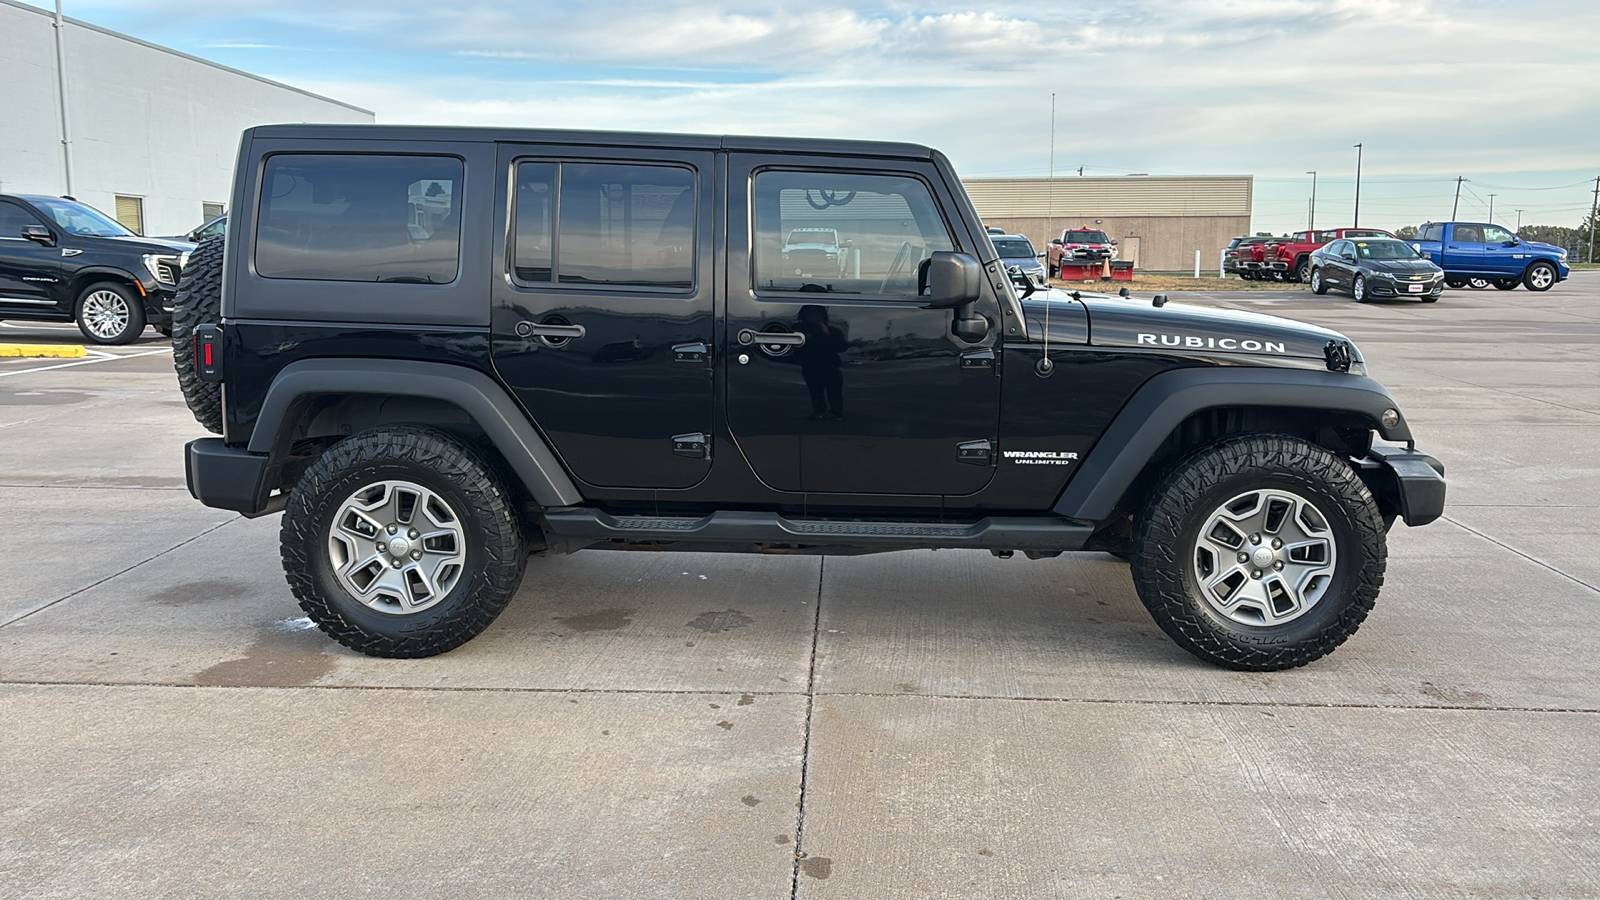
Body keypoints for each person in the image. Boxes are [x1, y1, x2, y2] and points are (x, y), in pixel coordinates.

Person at [794, 305, 846, 420]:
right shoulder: (799, 331)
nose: (814, 318)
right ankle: (820, 411)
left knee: (834, 392)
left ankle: (836, 412)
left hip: (831, 367)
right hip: (810, 367)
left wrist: (826, 332)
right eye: (810, 315)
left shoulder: (833, 331)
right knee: (815, 392)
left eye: (817, 315)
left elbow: (842, 347)